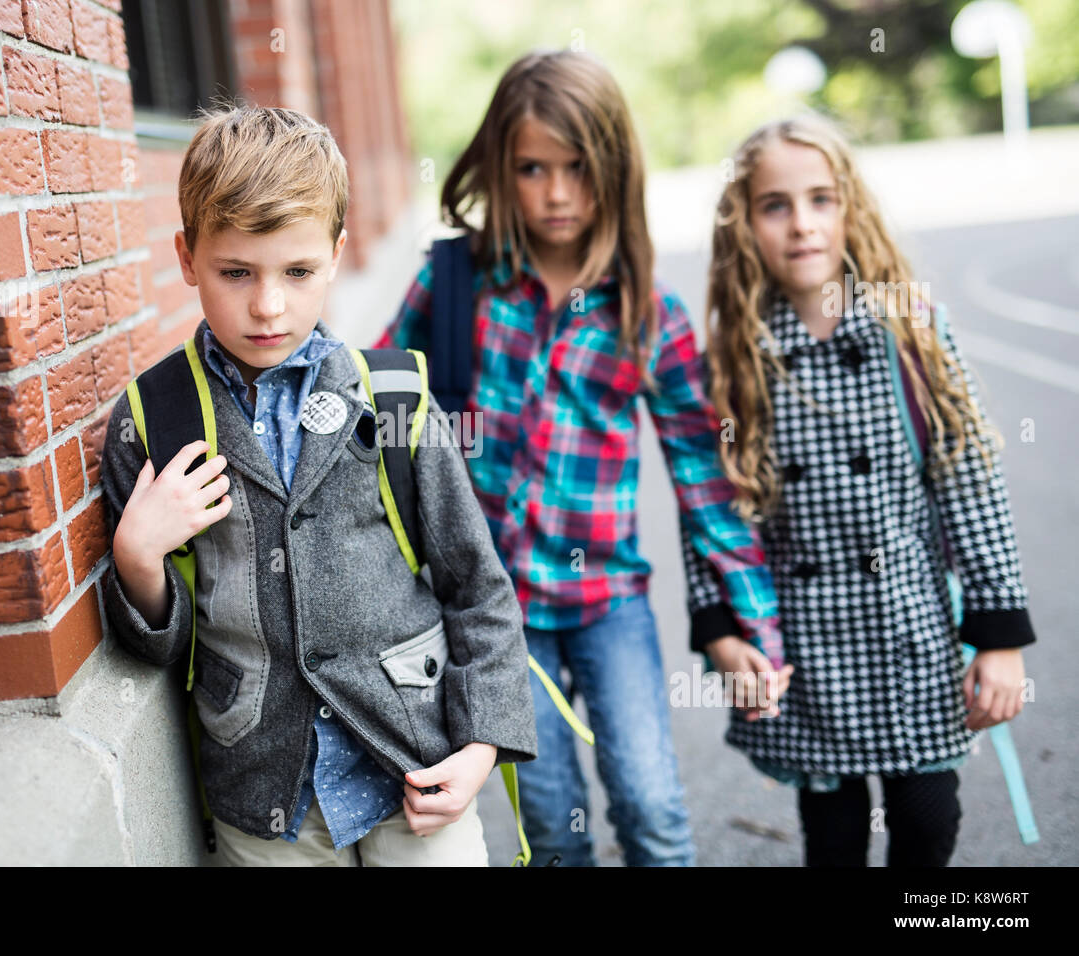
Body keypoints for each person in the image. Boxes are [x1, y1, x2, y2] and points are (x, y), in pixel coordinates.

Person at [375, 50, 786, 867]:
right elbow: (380, 407)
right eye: (531, 168)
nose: (556, 193)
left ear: (614, 170)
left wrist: (754, 623)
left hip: (609, 603)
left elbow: (704, 480)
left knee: (653, 811)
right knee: (553, 831)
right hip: (495, 618)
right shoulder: (454, 283)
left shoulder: (649, 314)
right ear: (499, 167)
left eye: (577, 168)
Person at [99, 105, 537, 866]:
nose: (268, 305)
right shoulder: (154, 418)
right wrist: (137, 561)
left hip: (417, 766)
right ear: (186, 256)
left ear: (335, 256)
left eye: (297, 272)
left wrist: (480, 749)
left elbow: (478, 587)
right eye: (236, 272)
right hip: (264, 790)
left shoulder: (396, 396)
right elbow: (162, 646)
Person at [701, 114, 1037, 866]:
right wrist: (721, 633)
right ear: (744, 222)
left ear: (851, 207)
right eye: (775, 205)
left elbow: (970, 480)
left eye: (822, 199)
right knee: (835, 836)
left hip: (909, 629)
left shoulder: (911, 332)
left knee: (926, 820)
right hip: (804, 642)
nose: (802, 225)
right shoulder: (734, 360)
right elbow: (715, 514)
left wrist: (999, 636)